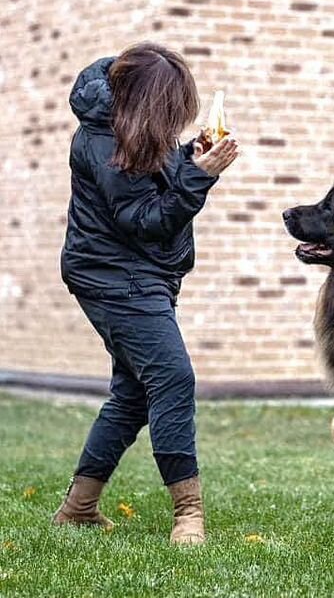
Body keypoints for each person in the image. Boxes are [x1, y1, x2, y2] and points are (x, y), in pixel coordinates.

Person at [53, 43, 239, 544]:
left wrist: (188, 159)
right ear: (149, 104)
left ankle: (78, 508)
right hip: (112, 277)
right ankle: (188, 514)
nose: (177, 120)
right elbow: (146, 219)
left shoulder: (122, 127)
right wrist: (199, 177)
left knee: (134, 392)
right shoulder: (103, 141)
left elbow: (151, 182)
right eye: (172, 111)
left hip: (138, 272)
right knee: (173, 377)